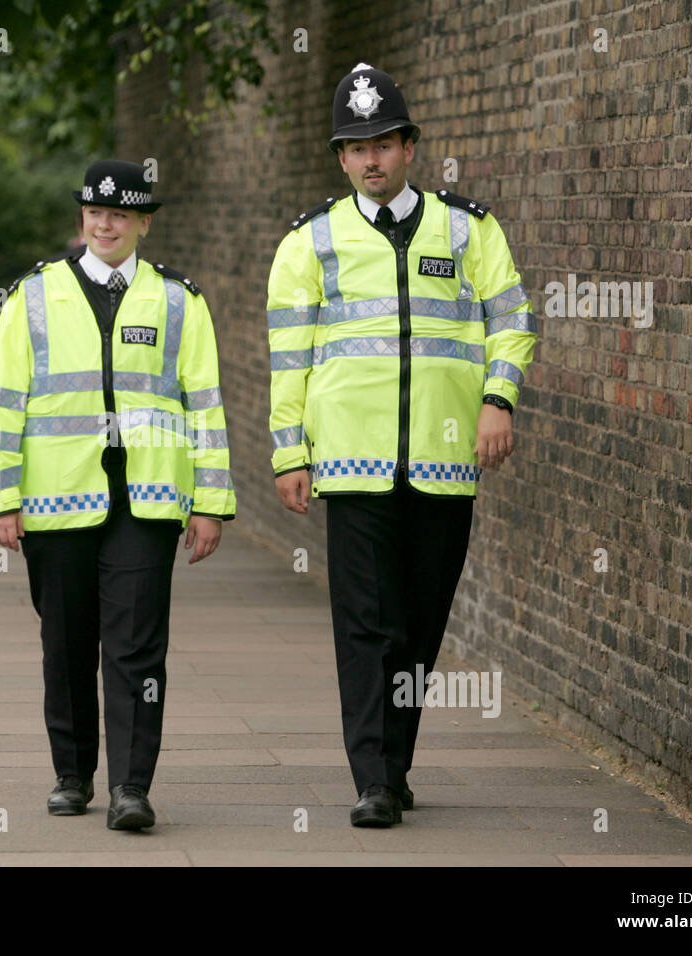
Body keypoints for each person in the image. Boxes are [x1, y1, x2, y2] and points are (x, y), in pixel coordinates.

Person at [266, 64, 536, 828]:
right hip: (351, 464)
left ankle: (396, 763)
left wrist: (497, 399)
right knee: (366, 625)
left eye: (384, 142)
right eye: (357, 148)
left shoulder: (470, 229)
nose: (372, 159)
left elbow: (512, 321)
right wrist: (291, 452)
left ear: (411, 147)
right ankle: (374, 779)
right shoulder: (310, 242)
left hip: (446, 465)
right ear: (340, 159)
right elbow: (288, 358)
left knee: (419, 626)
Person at [0, 160, 236, 830]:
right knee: (65, 642)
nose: (106, 223)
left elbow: (205, 406)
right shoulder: (32, 297)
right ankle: (71, 773)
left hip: (147, 502)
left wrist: (209, 501)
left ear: (143, 223)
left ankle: (131, 786)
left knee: (137, 646)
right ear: (81, 220)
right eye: (95, 212)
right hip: (55, 498)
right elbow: (3, 404)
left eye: (120, 214)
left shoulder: (181, 301)